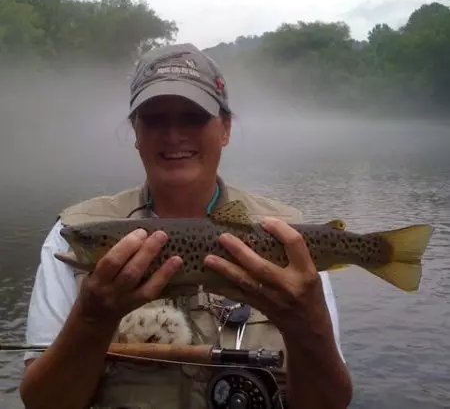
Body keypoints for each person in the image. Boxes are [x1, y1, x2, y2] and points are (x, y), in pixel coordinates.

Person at [20, 43, 353, 409]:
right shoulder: (74, 232)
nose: (173, 134)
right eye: (156, 119)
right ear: (136, 132)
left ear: (225, 128)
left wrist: (308, 325)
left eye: (192, 117)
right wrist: (92, 319)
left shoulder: (288, 236)